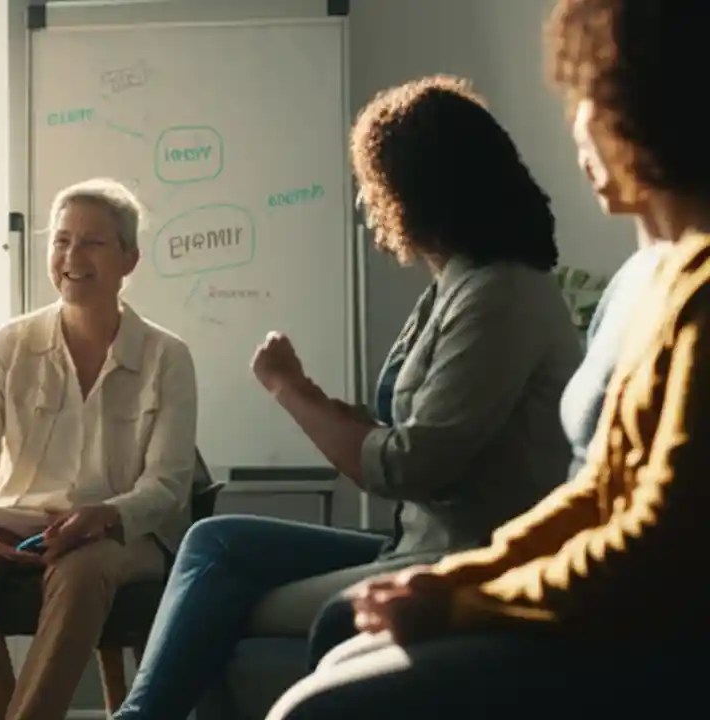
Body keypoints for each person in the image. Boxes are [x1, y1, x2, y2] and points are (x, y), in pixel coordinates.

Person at [269, 1, 710, 716]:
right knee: (333, 645)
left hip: (661, 642)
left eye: (590, 99)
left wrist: (469, 599)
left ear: (648, 113)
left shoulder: (692, 294)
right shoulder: (662, 281)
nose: (576, 126)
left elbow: (652, 542)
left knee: (313, 708)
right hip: (607, 611)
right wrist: (462, 583)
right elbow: (596, 492)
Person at [115, 75, 583, 720]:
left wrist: (289, 389)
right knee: (215, 542)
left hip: (464, 553)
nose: (365, 202)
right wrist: (314, 397)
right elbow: (393, 431)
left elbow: (409, 464)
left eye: (373, 182)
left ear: (416, 188)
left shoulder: (500, 296)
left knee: (214, 606)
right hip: (411, 541)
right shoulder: (453, 284)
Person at [0, 177, 198, 720]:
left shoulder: (167, 357)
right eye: (61, 240)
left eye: (92, 242)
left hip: (119, 536)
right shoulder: (10, 344)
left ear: (129, 258)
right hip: (19, 527)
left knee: (84, 567)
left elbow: (167, 486)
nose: (71, 256)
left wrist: (103, 515)